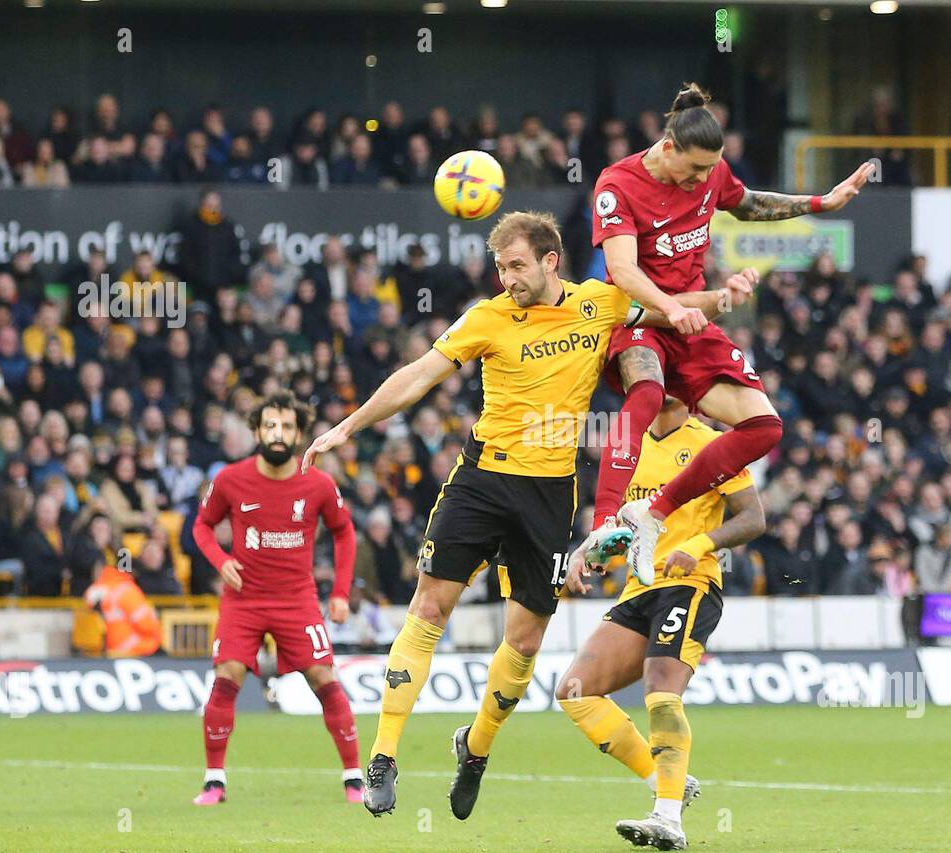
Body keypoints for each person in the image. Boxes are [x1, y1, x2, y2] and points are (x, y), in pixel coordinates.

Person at [301, 210, 749, 820]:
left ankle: (477, 750)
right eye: (500, 267)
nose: (506, 277)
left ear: (549, 261)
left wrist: (723, 296)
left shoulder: (600, 305)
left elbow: (672, 307)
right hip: (483, 480)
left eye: (516, 266)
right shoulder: (488, 317)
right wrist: (348, 426)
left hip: (549, 497)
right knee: (430, 606)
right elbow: (420, 376)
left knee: (525, 639)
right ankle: (383, 754)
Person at [587, 82, 872, 586]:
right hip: (641, 317)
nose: (703, 180)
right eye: (695, 169)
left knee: (765, 427)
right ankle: (605, 521)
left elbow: (748, 203)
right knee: (648, 392)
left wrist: (821, 203)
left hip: (692, 319)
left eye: (709, 170)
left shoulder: (710, 171)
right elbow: (624, 272)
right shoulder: (618, 184)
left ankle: (651, 515)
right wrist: (671, 309)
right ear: (668, 147)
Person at [558, 397, 766, 850]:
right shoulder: (627, 450)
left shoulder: (713, 444)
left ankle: (668, 819)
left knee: (660, 690)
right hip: (638, 588)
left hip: (689, 583)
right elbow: (621, 530)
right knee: (575, 690)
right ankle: (667, 781)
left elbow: (754, 517)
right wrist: (588, 555)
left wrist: (701, 543)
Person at [190, 393, 359, 806]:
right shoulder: (230, 480)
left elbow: (344, 532)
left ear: (299, 433)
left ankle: (355, 777)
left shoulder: (318, 483)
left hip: (296, 599)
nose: (277, 434)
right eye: (269, 426)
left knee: (325, 678)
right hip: (243, 600)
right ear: (256, 431)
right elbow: (201, 526)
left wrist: (339, 593)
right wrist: (220, 559)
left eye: (285, 426)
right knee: (226, 676)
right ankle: (214, 780)